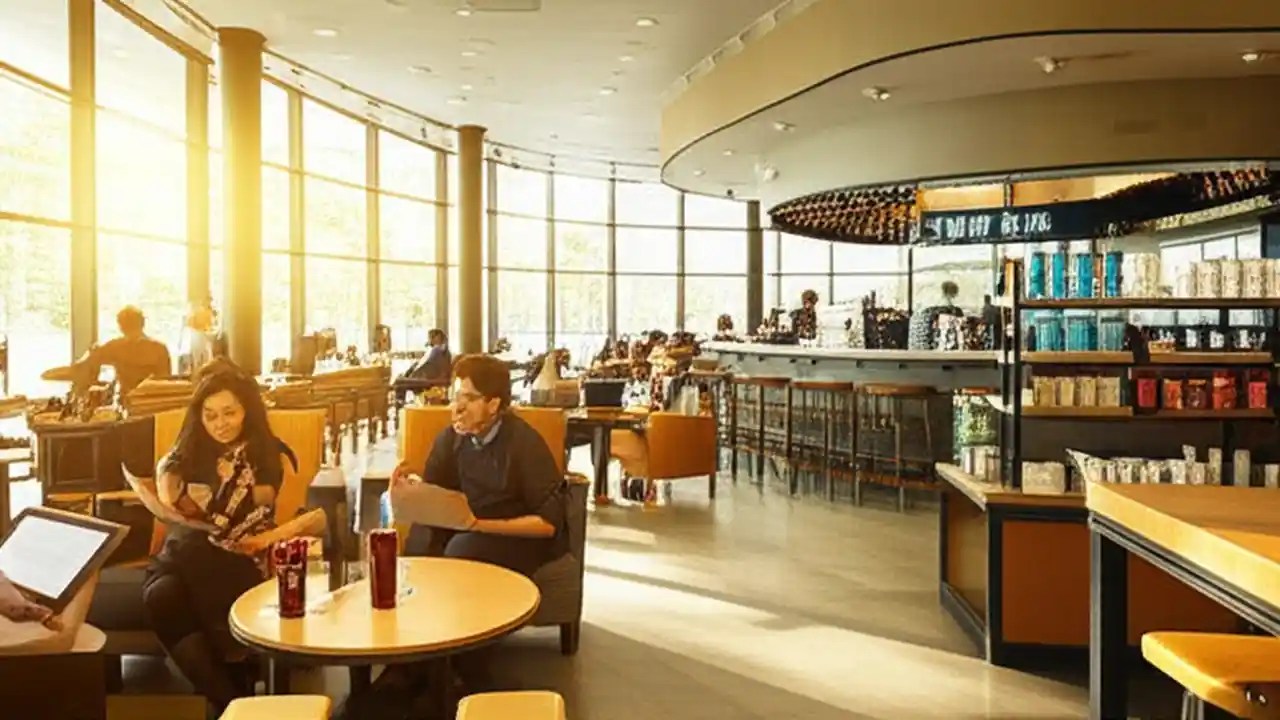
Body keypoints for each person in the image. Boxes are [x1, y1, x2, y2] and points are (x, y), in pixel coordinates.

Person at [390, 353, 566, 692]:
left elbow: (548, 524)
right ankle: (412, 659)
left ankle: (465, 670)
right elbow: (433, 498)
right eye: (456, 396)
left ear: (493, 404)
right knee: (421, 541)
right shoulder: (451, 439)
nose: (458, 407)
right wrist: (406, 491)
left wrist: (477, 524)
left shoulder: (523, 443)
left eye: (468, 399)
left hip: (517, 535)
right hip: (466, 528)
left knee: (462, 547)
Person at [140, 362, 298, 714]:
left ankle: (230, 703)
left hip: (237, 554)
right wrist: (166, 482)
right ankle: (233, 703)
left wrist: (210, 498)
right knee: (160, 593)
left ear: (247, 411)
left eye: (229, 413)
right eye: (210, 415)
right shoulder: (192, 446)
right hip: (182, 555)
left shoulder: (265, 454)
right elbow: (171, 463)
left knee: (187, 571)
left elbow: (255, 506)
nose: (220, 424)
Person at [71, 305, 172, 398]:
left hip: (131, 400)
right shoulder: (159, 348)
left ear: (120, 327)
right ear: (143, 324)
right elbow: (166, 380)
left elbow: (85, 365)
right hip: (153, 401)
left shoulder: (115, 347)